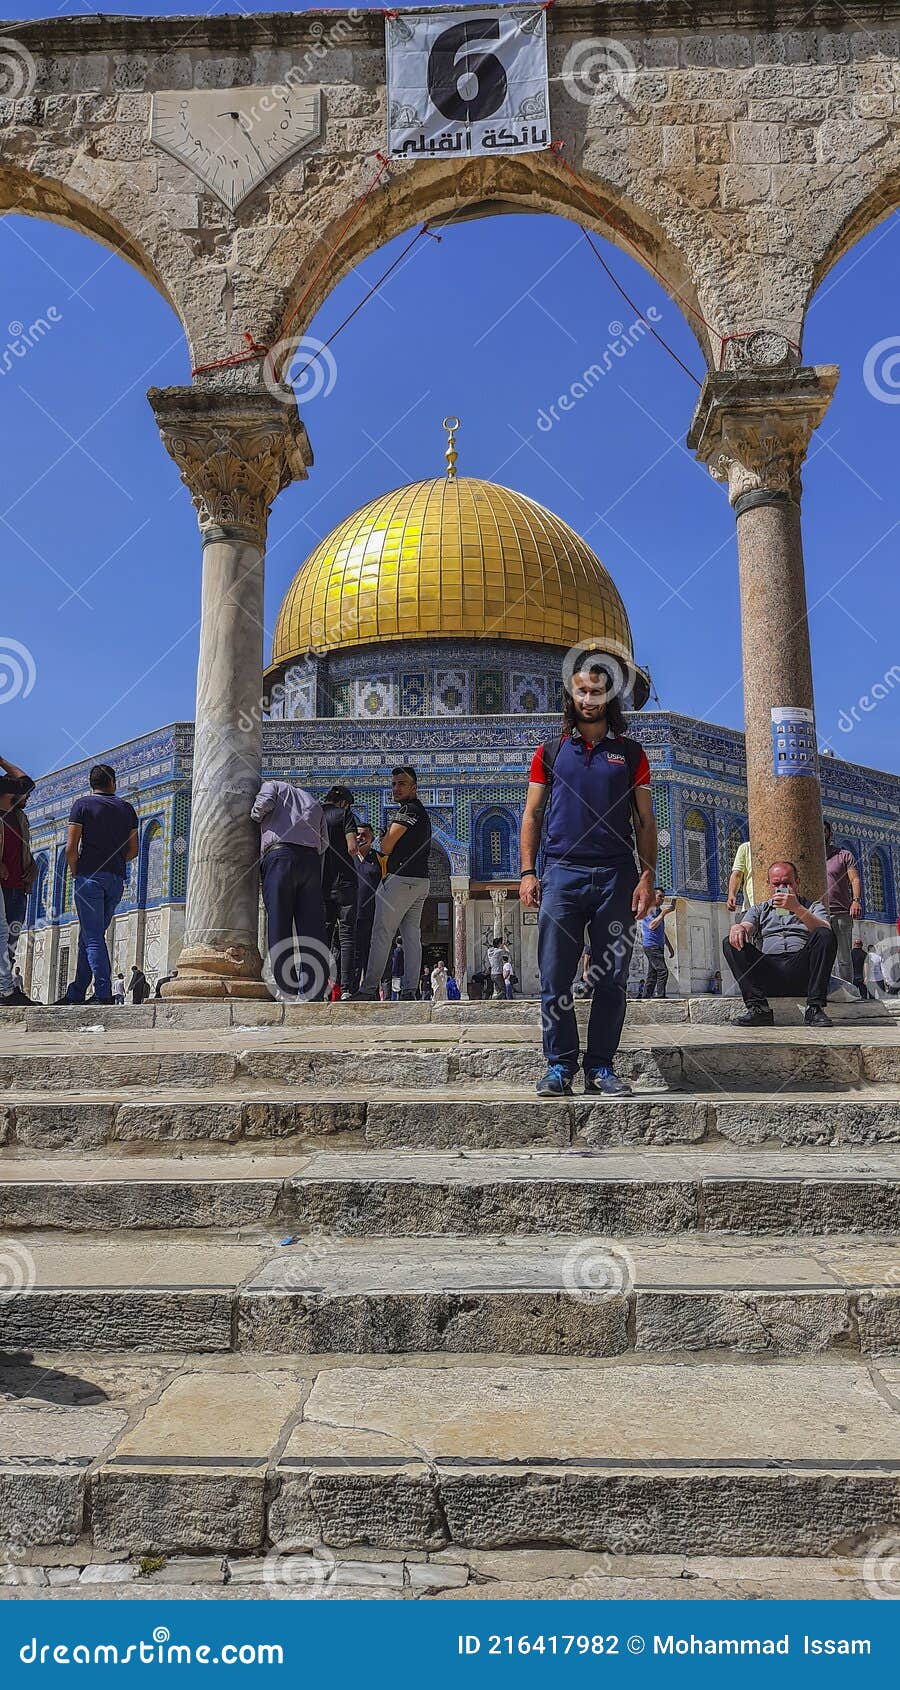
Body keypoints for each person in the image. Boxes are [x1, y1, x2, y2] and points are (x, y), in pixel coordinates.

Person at [520, 652, 656, 1097]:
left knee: (611, 975)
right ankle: (559, 1065)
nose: (588, 698)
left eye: (597, 691)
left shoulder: (631, 755)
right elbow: (532, 814)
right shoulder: (551, 752)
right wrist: (527, 871)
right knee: (556, 974)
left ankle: (600, 1066)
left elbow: (644, 822)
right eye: (581, 690)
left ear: (609, 696)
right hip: (562, 874)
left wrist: (647, 875)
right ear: (570, 695)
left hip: (616, 875)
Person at [722, 860, 837, 1028]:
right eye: (776, 884)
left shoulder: (812, 906)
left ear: (797, 882)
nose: (781, 888)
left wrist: (797, 908)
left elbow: (825, 931)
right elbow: (747, 927)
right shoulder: (760, 909)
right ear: (769, 885)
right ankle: (758, 1008)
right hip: (770, 970)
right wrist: (738, 928)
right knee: (731, 942)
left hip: (802, 969)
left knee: (824, 934)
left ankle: (815, 1008)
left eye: (787, 883)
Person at [59, 765, 138, 1005]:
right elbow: (133, 850)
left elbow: (71, 848)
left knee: (92, 937)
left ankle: (103, 992)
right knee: (90, 935)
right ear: (112, 782)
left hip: (89, 877)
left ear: (91, 784)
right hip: (115, 880)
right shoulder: (127, 809)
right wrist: (112, 863)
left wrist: (77, 873)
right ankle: (77, 991)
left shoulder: (82, 805)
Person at [355, 767, 432, 1000]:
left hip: (401, 880)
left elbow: (386, 847)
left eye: (402, 784)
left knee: (381, 934)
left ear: (414, 788)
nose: (396, 789)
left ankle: (368, 990)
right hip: (421, 882)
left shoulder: (408, 810)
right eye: (394, 784)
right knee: (411, 937)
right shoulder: (422, 813)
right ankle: (409, 990)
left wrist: (383, 836)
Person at [251, 777, 328, 1001]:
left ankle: (288, 989)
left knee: (279, 925)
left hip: (280, 858)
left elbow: (261, 808)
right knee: (311, 928)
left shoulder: (272, 786)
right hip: (311, 862)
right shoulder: (312, 800)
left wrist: (255, 816)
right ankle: (314, 992)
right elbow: (323, 843)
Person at [321, 785, 359, 999]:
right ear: (344, 802)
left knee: (324, 935)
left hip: (322, 882)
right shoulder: (345, 815)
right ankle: (346, 989)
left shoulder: (315, 814)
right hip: (344, 881)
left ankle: (321, 987)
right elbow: (352, 846)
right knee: (346, 935)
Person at [0, 759, 36, 974]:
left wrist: (32, 866)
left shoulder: (19, 818)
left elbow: (27, 783)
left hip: (18, 888)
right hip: (2, 888)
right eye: (23, 793)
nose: (28, 796)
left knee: (10, 944)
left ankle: (5, 989)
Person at [823, 820, 862, 985]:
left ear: (829, 834)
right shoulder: (810, 856)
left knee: (843, 957)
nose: (821, 833)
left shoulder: (843, 855)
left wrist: (856, 901)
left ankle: (847, 991)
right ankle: (824, 991)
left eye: (824, 830)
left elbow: (855, 879)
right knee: (823, 956)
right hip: (818, 914)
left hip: (840, 913)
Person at [352, 822, 382, 988]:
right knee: (354, 954)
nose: (359, 837)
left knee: (372, 955)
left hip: (374, 915)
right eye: (357, 834)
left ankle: (372, 990)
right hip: (354, 914)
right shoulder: (348, 858)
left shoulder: (378, 859)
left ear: (372, 838)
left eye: (364, 835)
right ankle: (351, 989)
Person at [640, 887, 675, 999]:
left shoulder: (658, 911)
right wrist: (664, 913)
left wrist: (669, 947)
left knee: (652, 974)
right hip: (651, 946)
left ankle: (646, 997)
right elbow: (652, 925)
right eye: (660, 896)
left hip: (657, 946)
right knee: (662, 970)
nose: (662, 899)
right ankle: (660, 996)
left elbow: (661, 931)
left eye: (663, 897)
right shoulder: (649, 909)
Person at [727, 840, 754, 913]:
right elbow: (737, 874)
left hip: (779, 901)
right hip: (752, 903)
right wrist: (732, 894)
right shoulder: (746, 848)